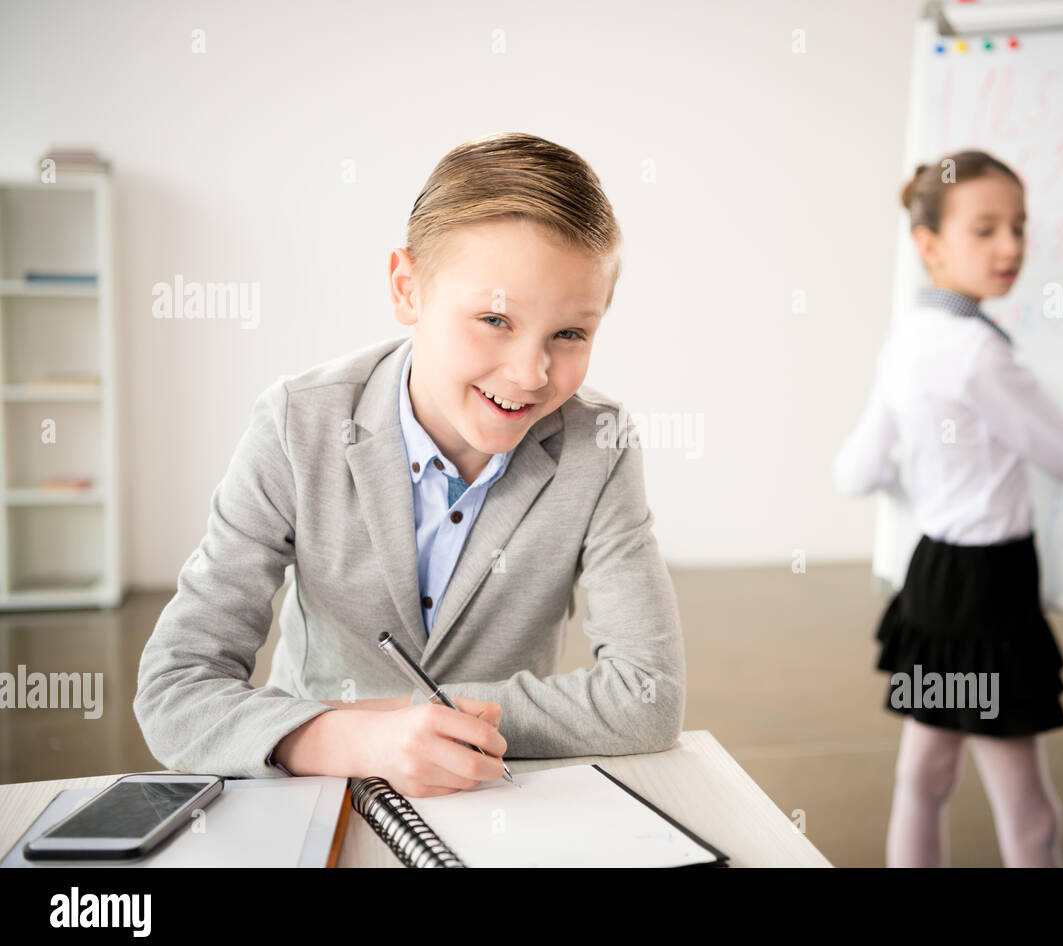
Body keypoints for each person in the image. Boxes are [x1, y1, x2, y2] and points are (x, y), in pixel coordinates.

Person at [135, 133, 686, 798]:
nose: (531, 373)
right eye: (493, 319)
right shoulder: (296, 424)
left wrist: (427, 723)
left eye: (570, 334)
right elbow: (174, 692)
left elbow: (649, 695)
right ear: (407, 288)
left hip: (493, 794)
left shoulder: (600, 443)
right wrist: (350, 736)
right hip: (313, 786)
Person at [832, 150, 1063, 866]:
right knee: (1026, 808)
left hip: (933, 580)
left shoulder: (909, 337)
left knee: (924, 777)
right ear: (929, 244)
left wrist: (930, 471)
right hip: (990, 591)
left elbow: (857, 470)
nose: (1011, 246)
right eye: (986, 229)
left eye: (1019, 227)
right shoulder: (979, 353)